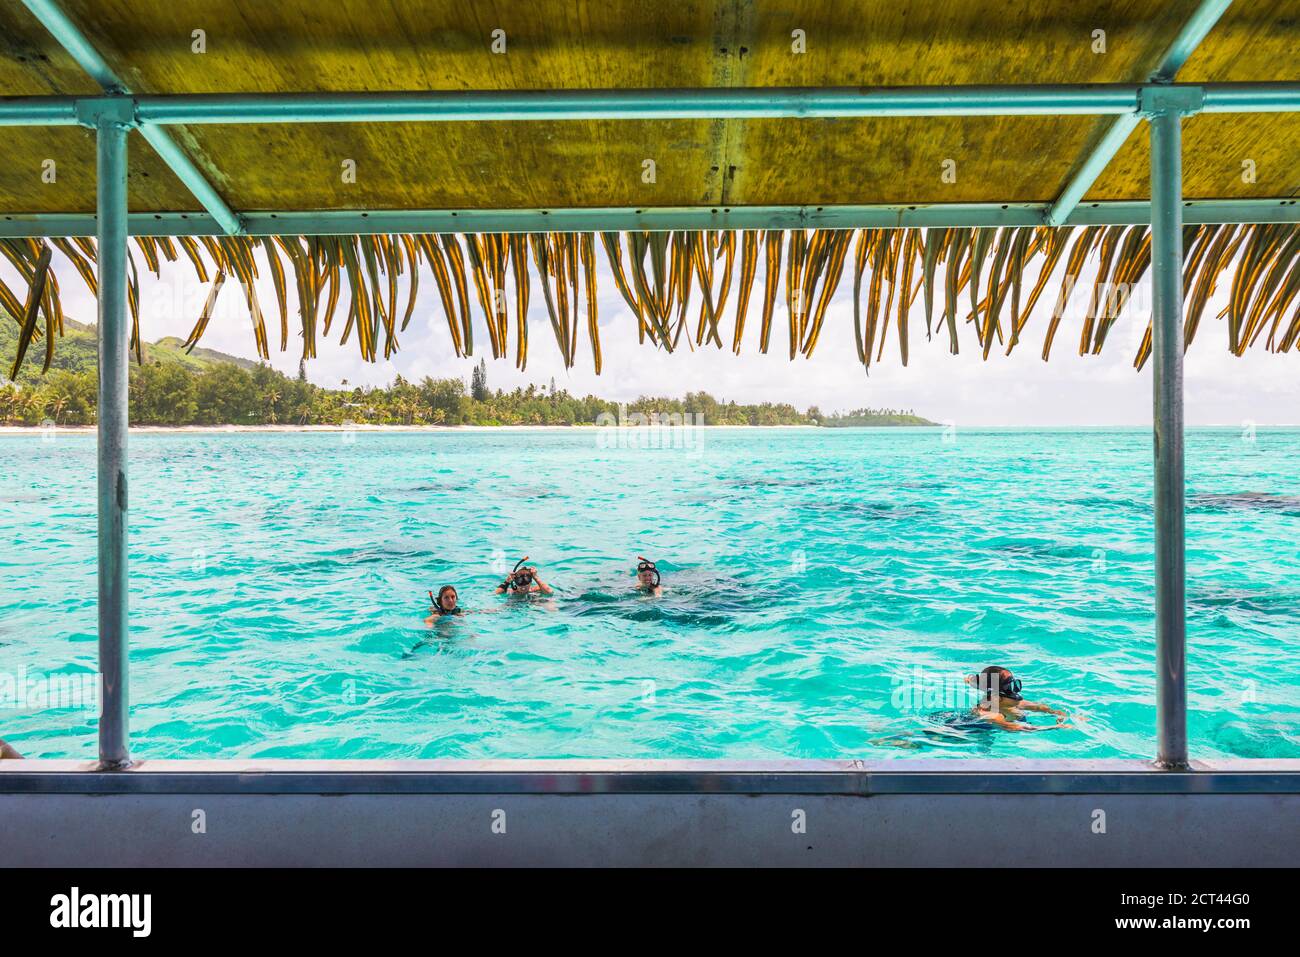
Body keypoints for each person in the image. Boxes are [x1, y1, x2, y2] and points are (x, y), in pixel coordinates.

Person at [931, 666, 1071, 734]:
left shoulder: (1012, 702)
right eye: (1010, 688)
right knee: (926, 738)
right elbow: (1016, 728)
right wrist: (1055, 727)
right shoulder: (992, 713)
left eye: (1015, 685)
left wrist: (1066, 716)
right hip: (957, 731)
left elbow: (1044, 708)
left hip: (981, 729)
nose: (1016, 692)